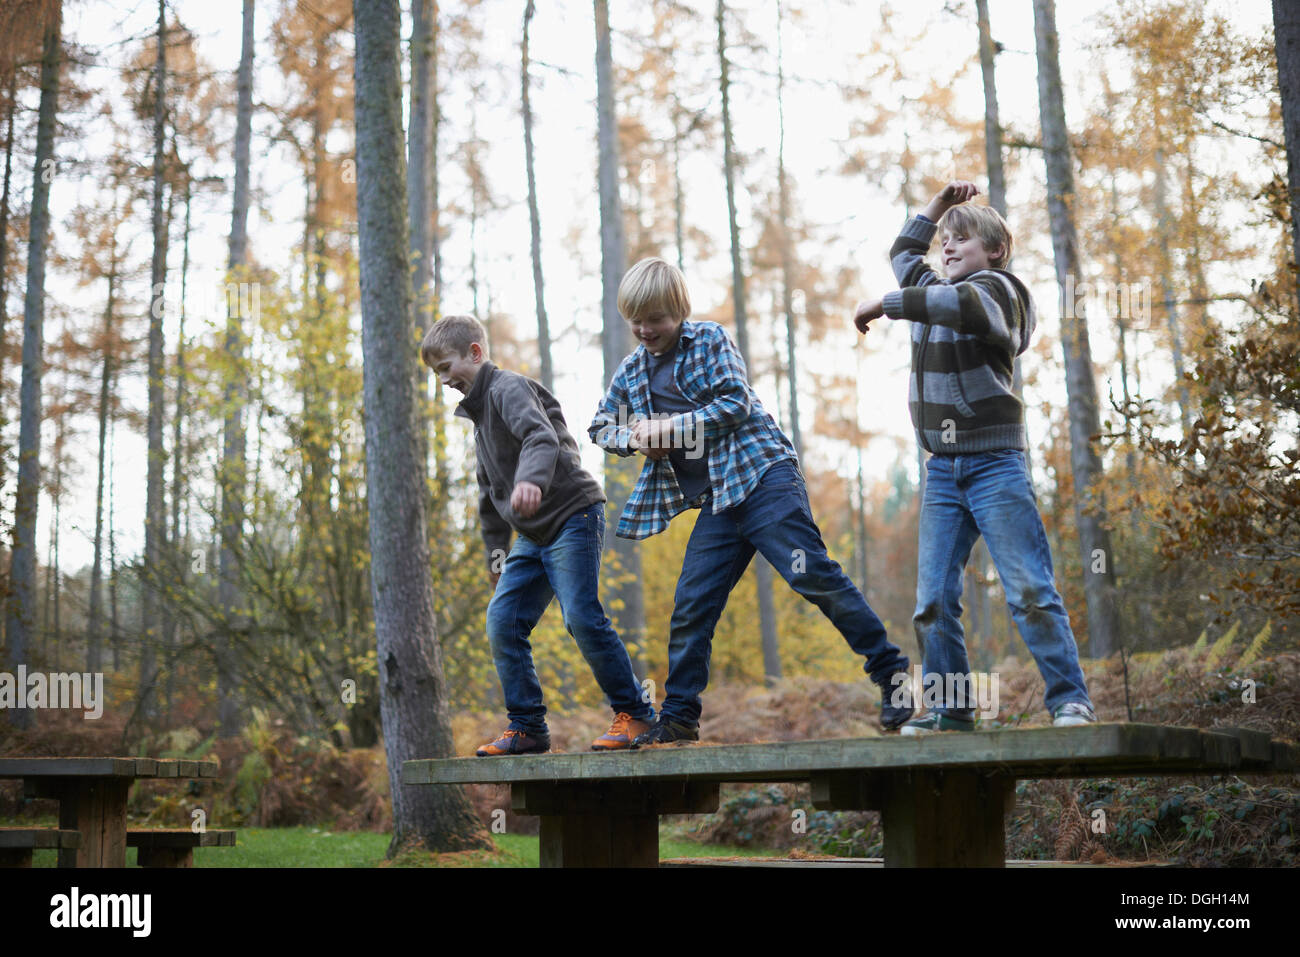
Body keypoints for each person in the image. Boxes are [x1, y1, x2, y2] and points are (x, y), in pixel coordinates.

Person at [589, 258, 912, 746]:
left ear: (679, 312)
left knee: (812, 574)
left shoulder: (710, 340)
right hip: (718, 500)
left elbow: (734, 403)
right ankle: (679, 715)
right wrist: (634, 438)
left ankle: (894, 677)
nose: (645, 329)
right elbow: (598, 428)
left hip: (762, 477)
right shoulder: (632, 370)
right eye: (635, 319)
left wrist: (672, 427)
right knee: (692, 603)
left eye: (656, 318)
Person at [852, 179, 1097, 733]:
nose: (948, 246)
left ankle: (1070, 701)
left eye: (961, 238)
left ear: (994, 251)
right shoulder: (938, 290)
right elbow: (902, 255)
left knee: (1030, 590)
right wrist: (940, 205)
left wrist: (887, 305)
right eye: (945, 240)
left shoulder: (999, 293)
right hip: (943, 471)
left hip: (994, 465)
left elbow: (952, 303)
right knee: (932, 603)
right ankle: (952, 708)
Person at [422, 314, 655, 754]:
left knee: (581, 617)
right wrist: (496, 556)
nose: (444, 380)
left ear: (475, 353)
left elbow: (540, 439)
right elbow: (489, 496)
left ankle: (637, 716)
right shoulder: (479, 423)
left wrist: (530, 480)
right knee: (502, 622)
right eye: (437, 373)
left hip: (572, 515)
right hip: (534, 537)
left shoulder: (507, 389)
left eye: (446, 367)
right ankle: (527, 727)